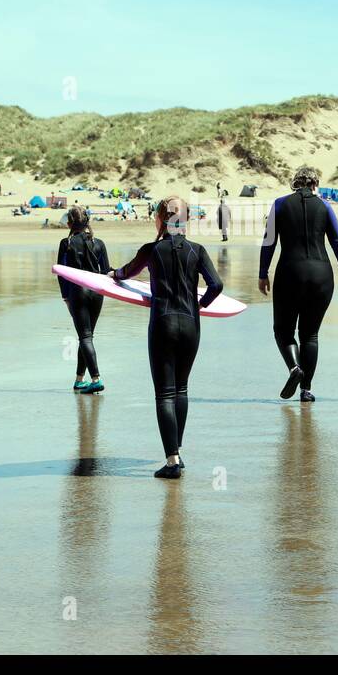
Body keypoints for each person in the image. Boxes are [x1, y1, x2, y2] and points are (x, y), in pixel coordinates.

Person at [112, 196, 223, 479]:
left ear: (160, 219)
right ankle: (178, 452)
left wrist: (113, 274)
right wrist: (202, 304)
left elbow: (126, 273)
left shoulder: (151, 250)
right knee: (182, 389)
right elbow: (216, 285)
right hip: (190, 326)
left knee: (164, 393)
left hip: (162, 324)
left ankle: (172, 460)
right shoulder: (197, 251)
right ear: (185, 220)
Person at [258, 166, 338, 402]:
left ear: (295, 183)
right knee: (310, 335)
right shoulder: (325, 206)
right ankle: (306, 390)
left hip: (290, 272)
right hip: (321, 274)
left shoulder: (279, 204)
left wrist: (262, 272)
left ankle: (293, 368)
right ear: (315, 184)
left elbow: (268, 242)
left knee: (283, 330)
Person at [57, 205, 110, 394]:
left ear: (70, 223)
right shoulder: (99, 243)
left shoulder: (66, 243)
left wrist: (65, 296)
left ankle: (96, 379)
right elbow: (106, 271)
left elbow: (62, 273)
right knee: (86, 337)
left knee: (85, 337)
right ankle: (80, 380)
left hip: (77, 293)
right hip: (97, 293)